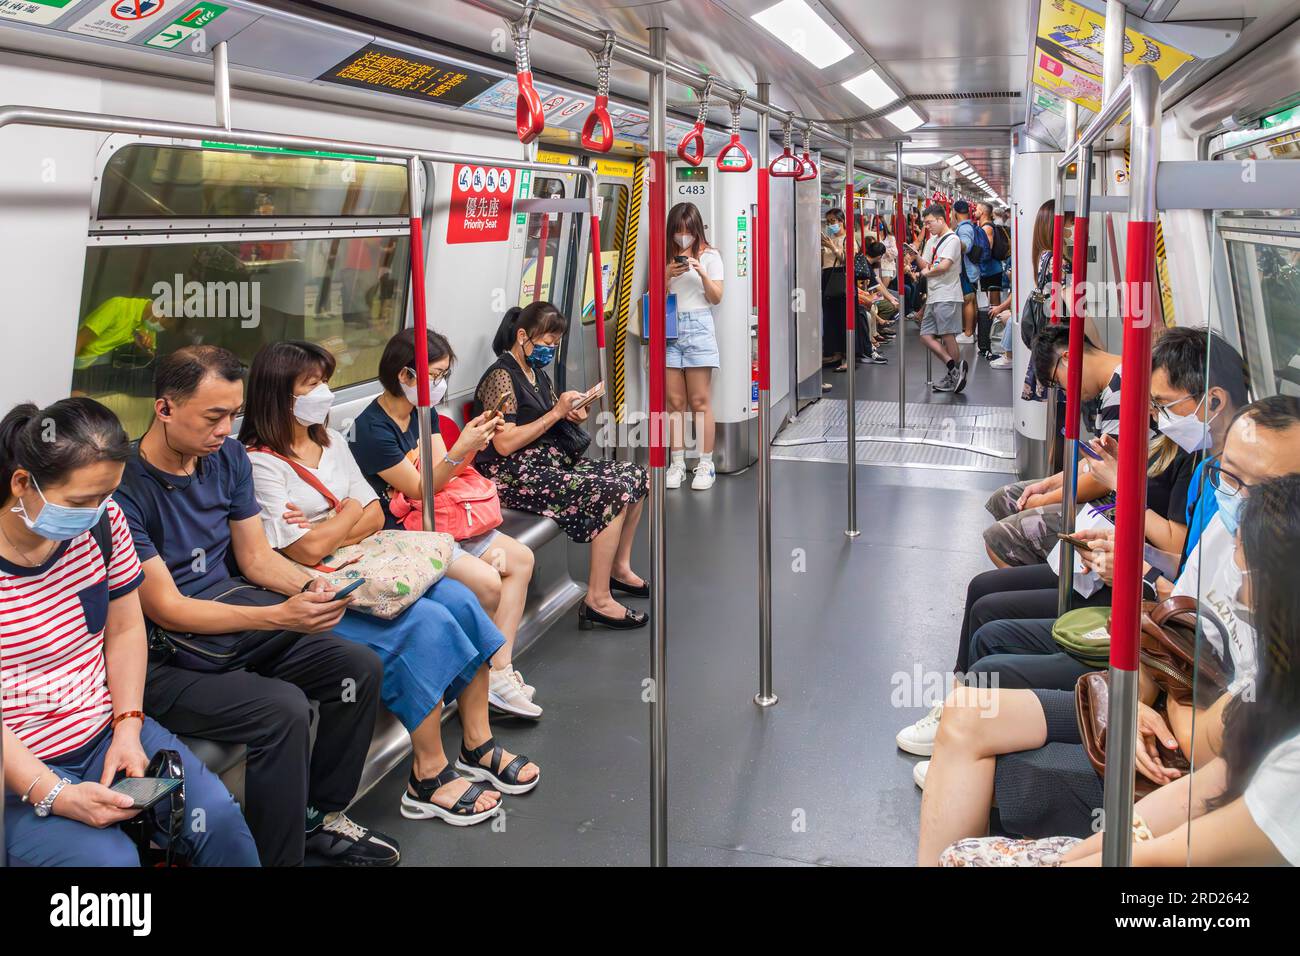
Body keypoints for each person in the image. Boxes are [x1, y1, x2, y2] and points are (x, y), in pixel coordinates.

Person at [911, 396, 1300, 855]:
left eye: (1265, 490)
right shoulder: (1223, 535)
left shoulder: (1278, 599)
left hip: (1185, 749)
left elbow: (1213, 744)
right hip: (1158, 702)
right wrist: (1134, 701)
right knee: (966, 712)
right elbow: (1160, 629)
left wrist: (1162, 693)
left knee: (997, 646)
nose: (1240, 502)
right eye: (1230, 476)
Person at [895, 329, 1247, 756]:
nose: (1157, 415)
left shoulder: (1226, 495)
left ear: (1213, 401)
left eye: (1163, 405)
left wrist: (1136, 558)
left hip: (1145, 615)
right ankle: (957, 715)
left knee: (992, 644)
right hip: (1133, 586)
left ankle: (963, 728)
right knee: (983, 594)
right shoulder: (1201, 464)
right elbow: (1181, 563)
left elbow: (1179, 582)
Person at [114, 345, 399, 866]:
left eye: (233, 415)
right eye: (213, 417)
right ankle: (278, 857)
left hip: (231, 624)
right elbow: (168, 608)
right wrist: (276, 616)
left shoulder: (227, 460)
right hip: (164, 658)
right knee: (282, 711)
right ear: (165, 409)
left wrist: (308, 587)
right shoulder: (126, 490)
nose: (225, 430)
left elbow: (257, 558)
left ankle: (321, 814)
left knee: (357, 666)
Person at [239, 340, 539, 824]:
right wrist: (347, 512)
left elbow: (376, 512)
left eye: (325, 382)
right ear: (277, 395)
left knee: (462, 603)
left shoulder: (330, 442)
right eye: (311, 385)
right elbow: (303, 552)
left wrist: (336, 519)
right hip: (320, 581)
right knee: (423, 623)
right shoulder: (259, 464)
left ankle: (477, 743)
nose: (324, 394)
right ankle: (427, 773)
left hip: (370, 560)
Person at [2, 397, 259, 867]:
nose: (96, 511)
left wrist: (128, 727)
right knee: (109, 863)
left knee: (218, 820)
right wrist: (55, 793)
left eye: (108, 495)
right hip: (18, 768)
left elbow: (122, 629)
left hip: (105, 733)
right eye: (81, 502)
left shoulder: (103, 524)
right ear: (23, 483)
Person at [349, 328, 540, 719]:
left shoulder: (424, 411)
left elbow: (443, 473)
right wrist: (459, 449)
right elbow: (422, 486)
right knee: (488, 582)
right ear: (404, 375)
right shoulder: (372, 429)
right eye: (433, 376)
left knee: (520, 559)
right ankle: (475, 673)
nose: (439, 385)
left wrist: (469, 446)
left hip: (438, 514)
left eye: (442, 376)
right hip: (402, 530)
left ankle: (499, 671)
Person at [474, 302, 650, 631]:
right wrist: (555, 414)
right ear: (523, 336)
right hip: (512, 474)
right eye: (546, 344)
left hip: (544, 463)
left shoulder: (535, 373)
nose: (550, 351)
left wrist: (571, 411)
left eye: (555, 344)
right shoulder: (501, 376)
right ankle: (597, 600)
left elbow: (548, 416)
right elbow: (504, 443)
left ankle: (619, 568)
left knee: (636, 476)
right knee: (611, 492)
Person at [981, 325, 1126, 568]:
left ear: (1067, 359)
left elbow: (1104, 479)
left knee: (998, 539)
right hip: (1105, 490)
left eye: (1057, 382)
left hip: (1115, 505)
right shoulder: (1110, 388)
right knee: (1004, 499)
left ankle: (1041, 590)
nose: (1066, 391)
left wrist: (1043, 500)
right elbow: (1096, 461)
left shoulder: (1120, 392)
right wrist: (1046, 485)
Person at [664, 202, 725, 490]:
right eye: (678, 232)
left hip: (699, 327)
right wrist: (666, 276)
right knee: (674, 403)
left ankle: (705, 464)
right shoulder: (665, 257)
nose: (683, 237)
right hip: (670, 326)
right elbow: (655, 298)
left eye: (688, 231)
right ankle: (676, 463)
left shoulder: (711, 256)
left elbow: (716, 297)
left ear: (697, 230)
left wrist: (701, 272)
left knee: (700, 402)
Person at [906, 204, 968, 394]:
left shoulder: (953, 240)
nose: (927, 226)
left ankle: (954, 375)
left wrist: (926, 272)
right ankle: (954, 367)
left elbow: (944, 266)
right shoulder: (933, 240)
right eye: (925, 223)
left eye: (929, 222)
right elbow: (927, 263)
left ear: (941, 220)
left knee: (947, 334)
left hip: (947, 294)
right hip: (934, 296)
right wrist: (915, 256)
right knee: (926, 336)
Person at [820, 207, 849, 370]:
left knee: (842, 319)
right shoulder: (828, 238)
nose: (830, 225)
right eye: (828, 222)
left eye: (833, 222)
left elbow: (846, 259)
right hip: (827, 277)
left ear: (841, 221)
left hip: (839, 278)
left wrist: (832, 247)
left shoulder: (847, 239)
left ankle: (846, 356)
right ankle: (835, 353)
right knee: (830, 319)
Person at [951, 201, 981, 344]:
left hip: (967, 270)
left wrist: (953, 242)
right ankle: (970, 332)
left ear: (955, 212)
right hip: (970, 269)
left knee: (968, 300)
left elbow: (967, 246)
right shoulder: (968, 226)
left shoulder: (963, 229)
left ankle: (968, 333)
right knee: (971, 300)